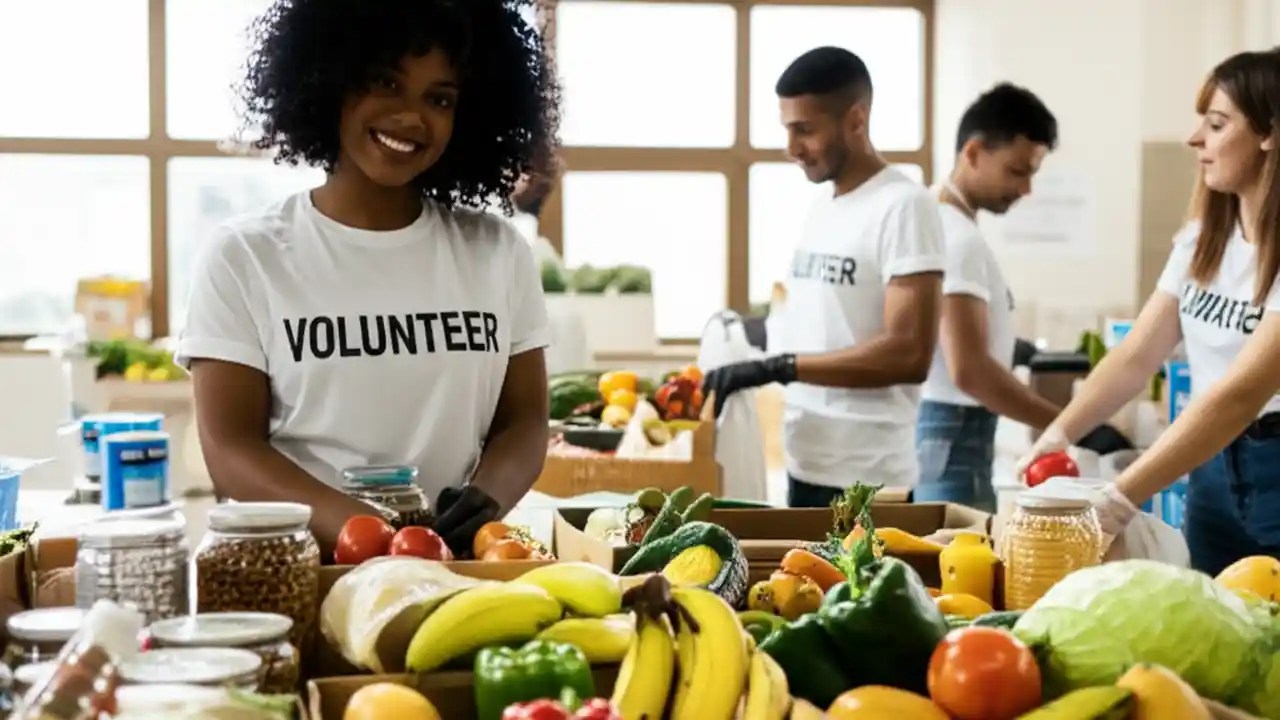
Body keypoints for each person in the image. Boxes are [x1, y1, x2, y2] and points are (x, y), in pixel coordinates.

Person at [176, 0, 560, 557]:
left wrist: (486, 500)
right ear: (329, 79)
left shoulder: (497, 253)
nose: (411, 117)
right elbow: (230, 448)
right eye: (385, 82)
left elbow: (524, 422)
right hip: (298, 570)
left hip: (448, 567)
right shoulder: (244, 256)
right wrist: (370, 531)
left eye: (440, 98)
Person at [1017, 48, 1280, 575]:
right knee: (1212, 627)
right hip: (1208, 468)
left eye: (1217, 123)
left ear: (1269, 133)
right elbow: (1137, 355)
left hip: (1272, 466)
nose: (1194, 139)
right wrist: (1059, 432)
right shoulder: (1203, 241)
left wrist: (1120, 499)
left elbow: (1240, 393)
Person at [702, 47, 945, 507]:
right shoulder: (823, 208)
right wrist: (751, 337)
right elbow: (824, 323)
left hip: (869, 479)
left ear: (856, 119)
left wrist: (781, 367)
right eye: (787, 130)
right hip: (806, 461)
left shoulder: (904, 206)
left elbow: (909, 352)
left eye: (805, 130)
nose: (791, 148)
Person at [916, 84, 1131, 511]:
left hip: (950, 431)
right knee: (960, 568)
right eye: (1017, 171)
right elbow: (970, 371)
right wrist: (1069, 427)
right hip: (955, 434)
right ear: (973, 153)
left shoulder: (941, 223)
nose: (1027, 189)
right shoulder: (959, 241)